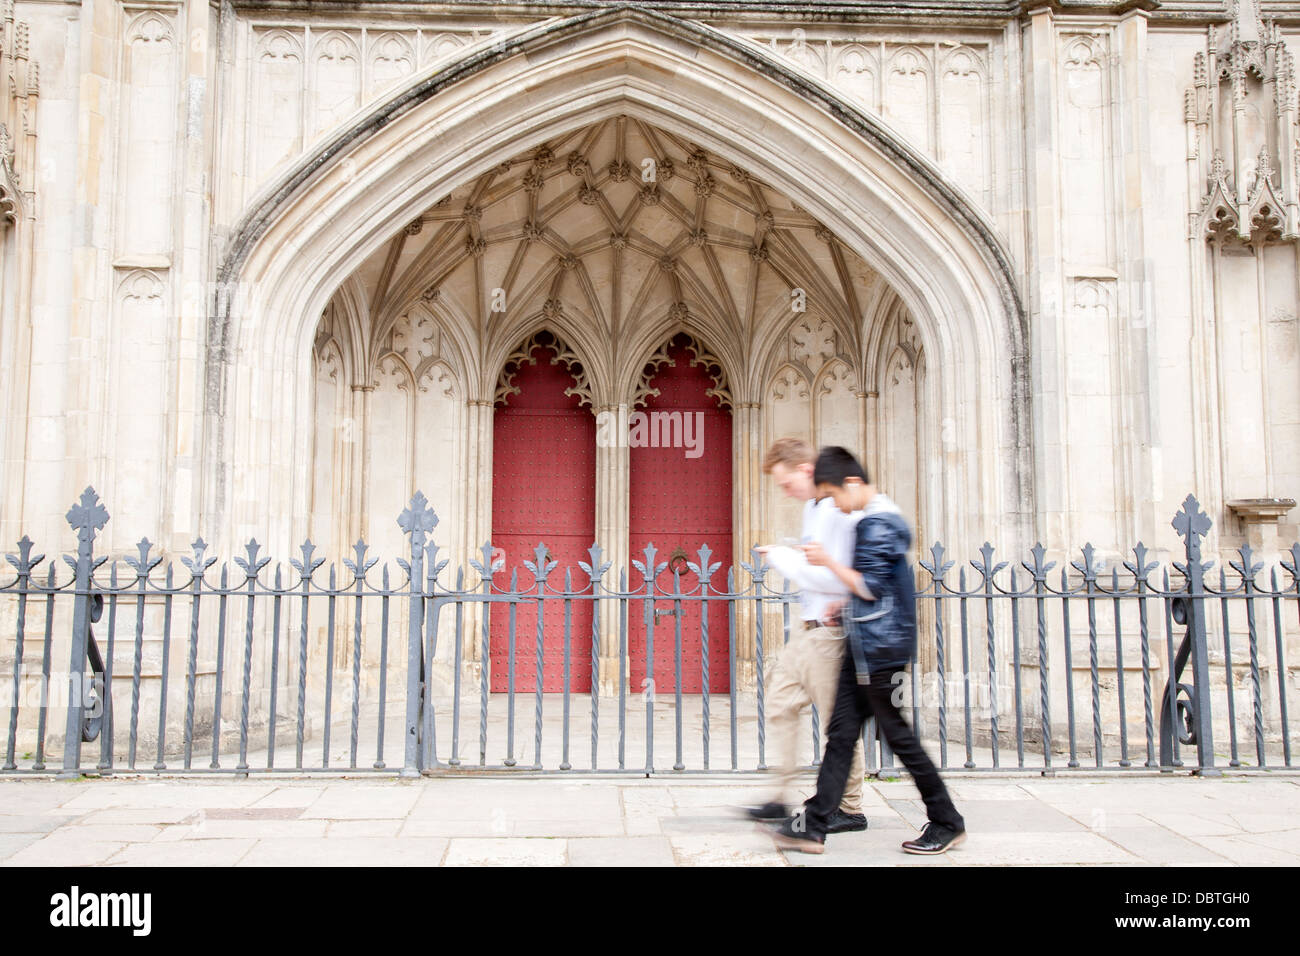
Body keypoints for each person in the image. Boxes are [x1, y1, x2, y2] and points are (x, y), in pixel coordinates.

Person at [771, 446, 966, 855]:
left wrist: (827, 562)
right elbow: (872, 588)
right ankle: (814, 822)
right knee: (841, 734)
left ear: (853, 484)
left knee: (898, 737)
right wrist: (844, 603)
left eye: (835, 497)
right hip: (863, 645)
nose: (838, 509)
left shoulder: (879, 522)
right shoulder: (871, 520)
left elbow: (871, 586)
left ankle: (947, 820)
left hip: (882, 652)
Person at [739, 438, 867, 834]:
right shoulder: (814, 509)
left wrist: (781, 558)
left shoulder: (834, 509)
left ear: (806, 470)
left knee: (836, 721)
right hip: (808, 630)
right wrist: (788, 551)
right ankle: (779, 796)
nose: (785, 491)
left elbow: (833, 577)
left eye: (786, 483)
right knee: (779, 702)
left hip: (831, 634)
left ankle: (849, 807)